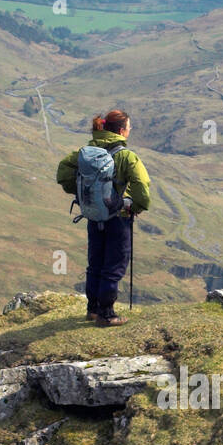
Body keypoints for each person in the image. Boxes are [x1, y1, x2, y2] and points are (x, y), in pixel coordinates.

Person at [56, 109, 151, 326]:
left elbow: (62, 173)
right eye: (129, 128)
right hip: (118, 218)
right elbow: (142, 187)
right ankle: (107, 314)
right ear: (121, 130)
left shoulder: (85, 152)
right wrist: (134, 206)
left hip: (93, 216)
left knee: (96, 263)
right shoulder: (126, 156)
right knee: (114, 265)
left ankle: (92, 309)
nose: (129, 131)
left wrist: (83, 195)